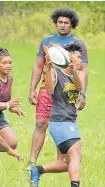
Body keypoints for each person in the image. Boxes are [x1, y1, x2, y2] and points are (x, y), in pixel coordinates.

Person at [28, 7, 88, 166]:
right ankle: (32, 162)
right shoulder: (46, 41)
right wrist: (32, 89)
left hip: (67, 91)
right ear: (56, 23)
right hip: (46, 89)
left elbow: (83, 71)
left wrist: (82, 94)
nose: (62, 25)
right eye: (59, 22)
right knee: (40, 123)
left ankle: (59, 161)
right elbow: (38, 67)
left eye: (66, 23)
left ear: (71, 24)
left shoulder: (79, 44)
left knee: (61, 123)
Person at [28, 43, 83, 187]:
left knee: (66, 163)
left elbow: (79, 87)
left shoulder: (75, 75)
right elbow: (50, 90)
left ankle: (37, 170)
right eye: (78, 57)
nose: (81, 60)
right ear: (68, 57)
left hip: (70, 122)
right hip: (60, 121)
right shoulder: (56, 73)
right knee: (76, 154)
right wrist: (48, 69)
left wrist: (74, 70)